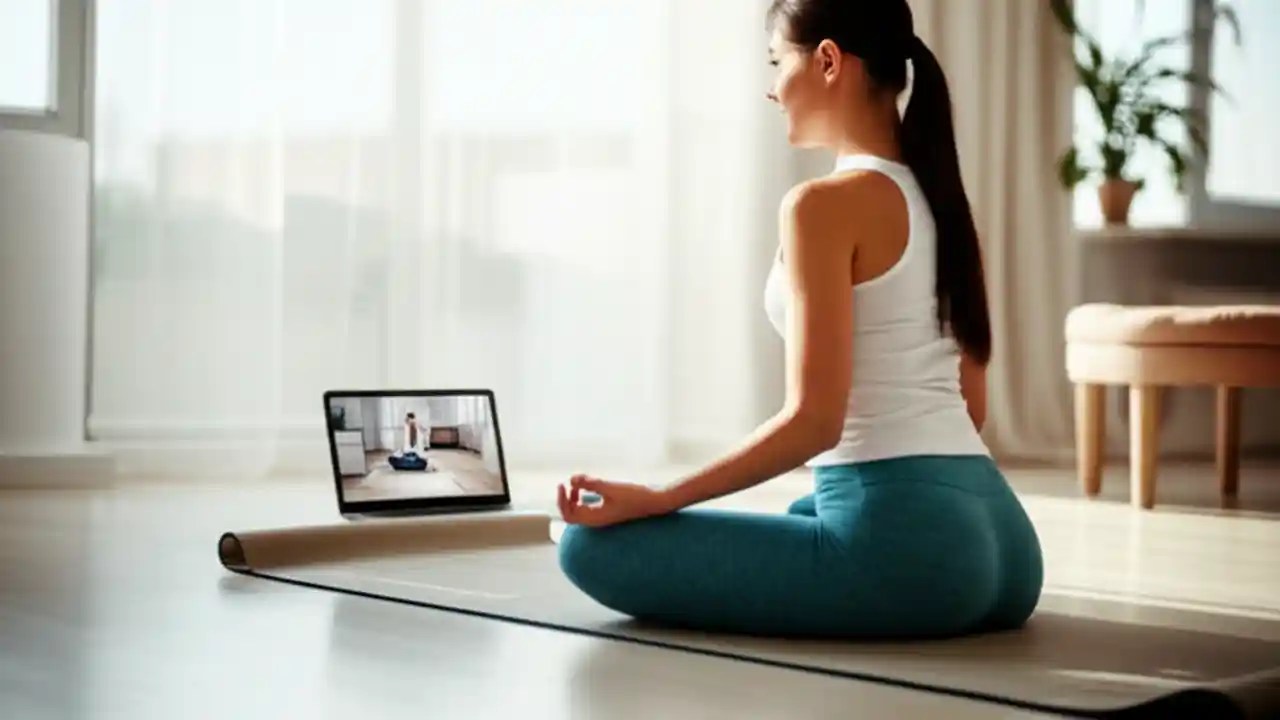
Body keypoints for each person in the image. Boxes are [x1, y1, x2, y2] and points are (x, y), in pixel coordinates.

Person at [555, 0, 1043, 639]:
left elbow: (816, 421)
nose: (770, 86)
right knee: (800, 510)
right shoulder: (940, 198)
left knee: (583, 545)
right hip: (1005, 546)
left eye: (776, 61)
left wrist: (659, 496)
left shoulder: (821, 206)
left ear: (829, 60)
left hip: (915, 562)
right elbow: (969, 410)